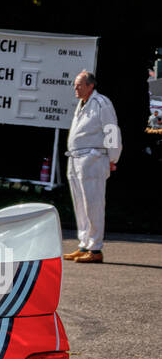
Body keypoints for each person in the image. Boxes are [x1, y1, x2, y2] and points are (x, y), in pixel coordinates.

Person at [64, 70, 121, 263]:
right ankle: (84, 244)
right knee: (80, 204)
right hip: (76, 159)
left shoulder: (101, 104)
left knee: (93, 204)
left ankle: (95, 249)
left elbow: (111, 130)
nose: (75, 88)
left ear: (90, 86)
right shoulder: (82, 105)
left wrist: (113, 158)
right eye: (75, 85)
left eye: (79, 85)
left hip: (93, 159)